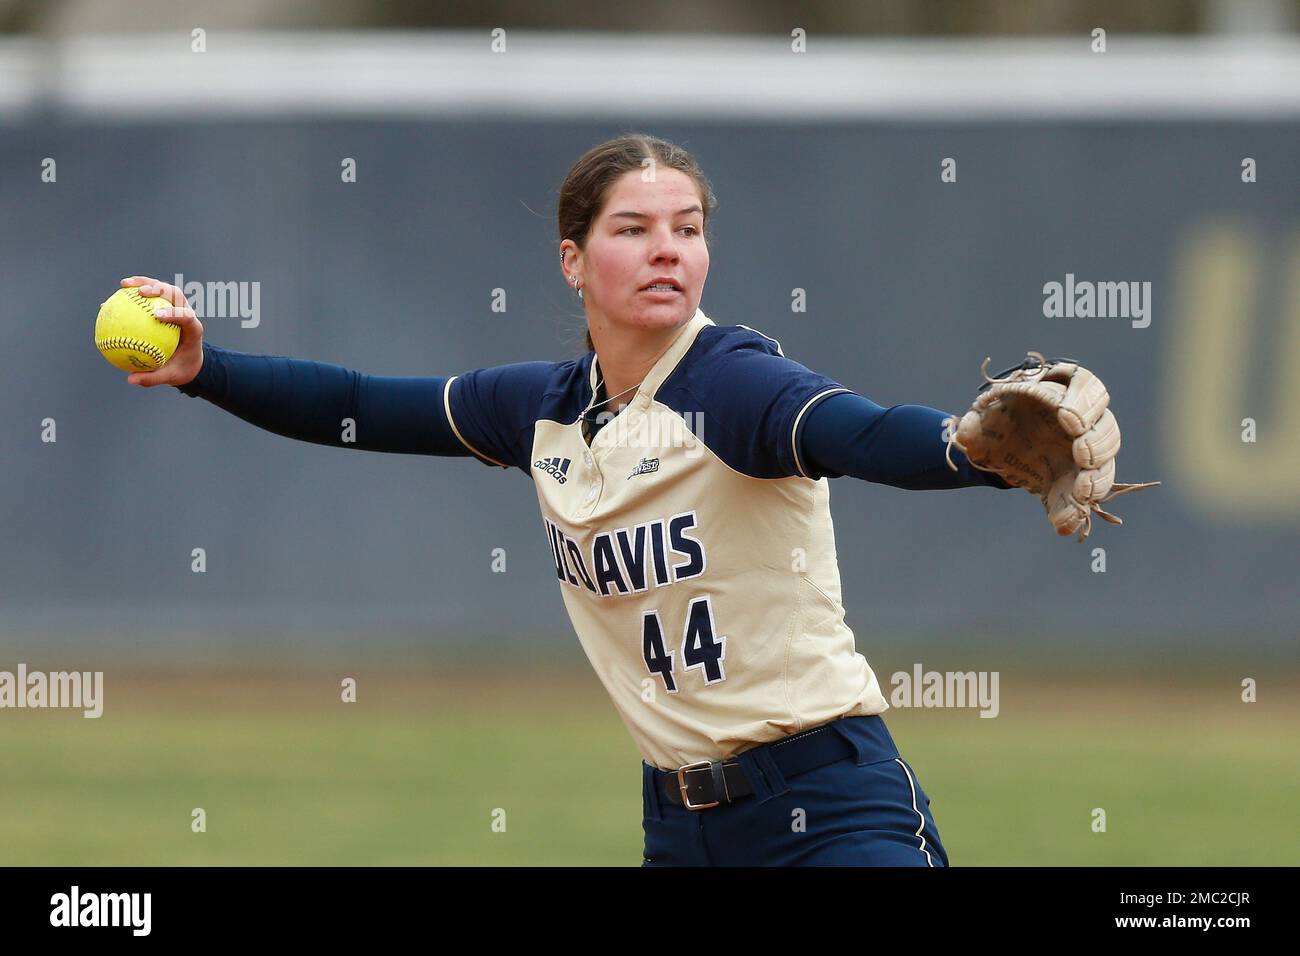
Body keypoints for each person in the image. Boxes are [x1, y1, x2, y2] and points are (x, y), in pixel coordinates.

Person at [119, 132, 1012, 867]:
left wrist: (972, 450)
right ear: (572, 260)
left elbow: (859, 432)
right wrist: (206, 369)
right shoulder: (539, 410)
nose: (668, 248)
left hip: (831, 809)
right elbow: (357, 404)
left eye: (688, 227)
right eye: (634, 228)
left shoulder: (733, 384)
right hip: (680, 827)